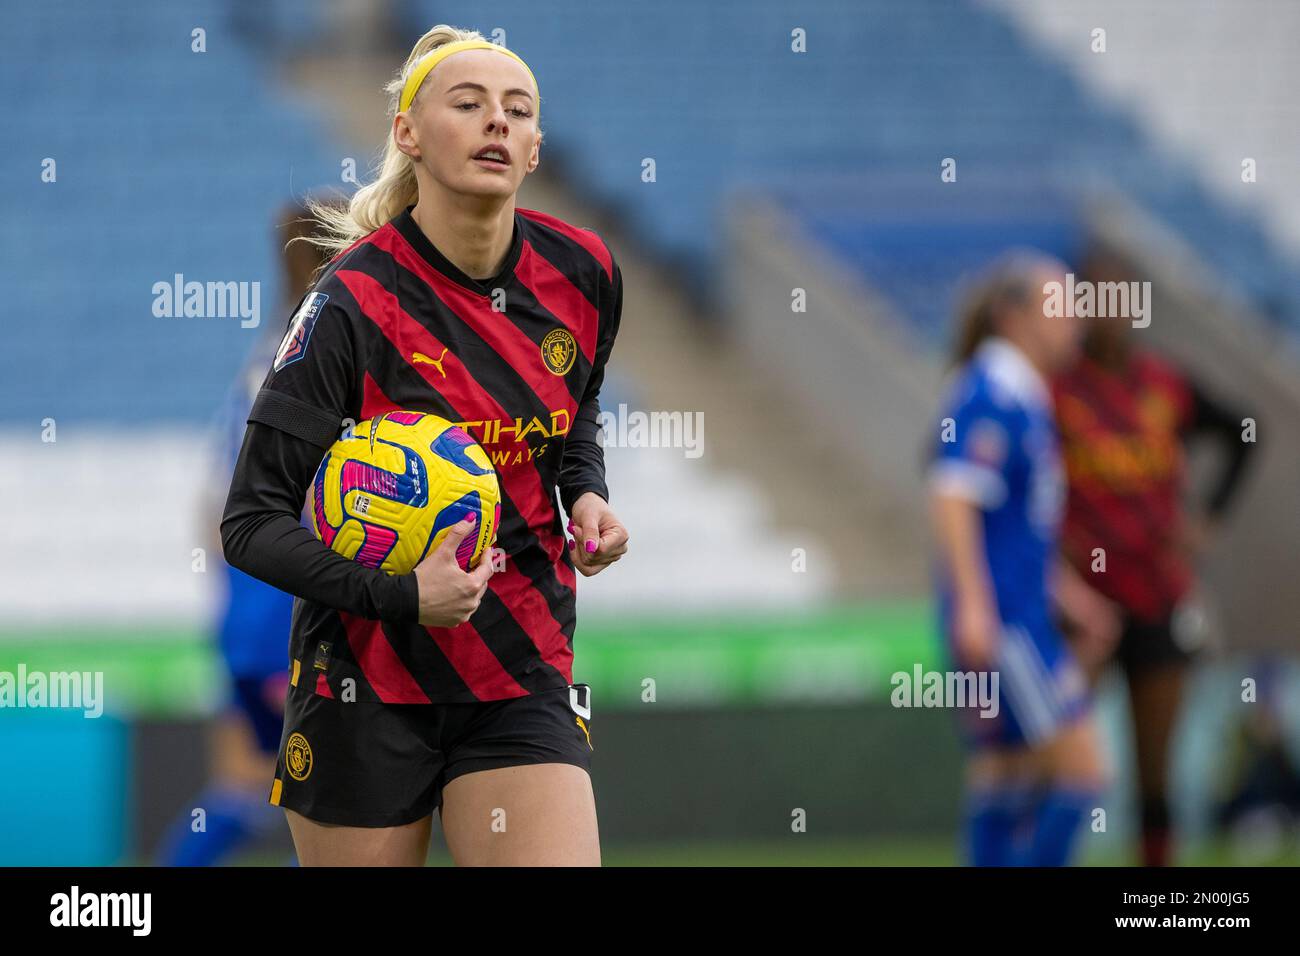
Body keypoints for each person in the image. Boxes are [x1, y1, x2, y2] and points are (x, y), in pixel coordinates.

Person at [221, 25, 628, 866]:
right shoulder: (352, 304)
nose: (497, 124)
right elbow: (250, 521)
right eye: (469, 104)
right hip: (362, 682)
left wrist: (584, 491)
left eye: (517, 111)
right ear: (408, 132)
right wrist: (404, 595)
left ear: (537, 146)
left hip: (520, 674)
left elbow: (575, 405)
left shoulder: (584, 273)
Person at [1052, 252, 1256, 866]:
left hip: (1156, 594)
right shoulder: (1054, 390)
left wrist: (1209, 517)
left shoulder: (1165, 385)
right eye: (1096, 296)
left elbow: (1246, 430)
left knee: (1155, 770)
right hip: (1079, 601)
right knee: (1059, 754)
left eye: (1121, 296)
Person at [928, 251, 1114, 866]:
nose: (1075, 322)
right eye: (1058, 306)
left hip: (1018, 608)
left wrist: (1070, 594)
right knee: (1083, 771)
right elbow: (954, 495)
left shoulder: (1023, 392)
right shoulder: (993, 389)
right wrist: (976, 607)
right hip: (1007, 620)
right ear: (1013, 317)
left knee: (1004, 771)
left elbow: (1013, 521)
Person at [158, 205, 330, 866]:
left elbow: (210, 506)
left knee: (250, 785)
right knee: (330, 793)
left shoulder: (265, 360)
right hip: (290, 610)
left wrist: (237, 594)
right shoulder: (312, 367)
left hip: (248, 611)